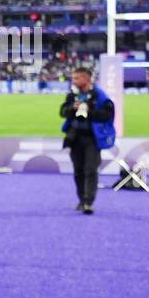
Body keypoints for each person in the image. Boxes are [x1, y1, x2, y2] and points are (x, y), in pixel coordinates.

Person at [59, 65, 115, 214]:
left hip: (92, 139)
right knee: (78, 171)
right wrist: (72, 108)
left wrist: (90, 111)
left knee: (90, 169)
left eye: (76, 78)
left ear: (86, 79)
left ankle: (88, 202)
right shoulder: (72, 95)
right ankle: (81, 200)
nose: (73, 80)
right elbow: (62, 112)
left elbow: (107, 115)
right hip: (75, 137)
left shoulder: (100, 96)